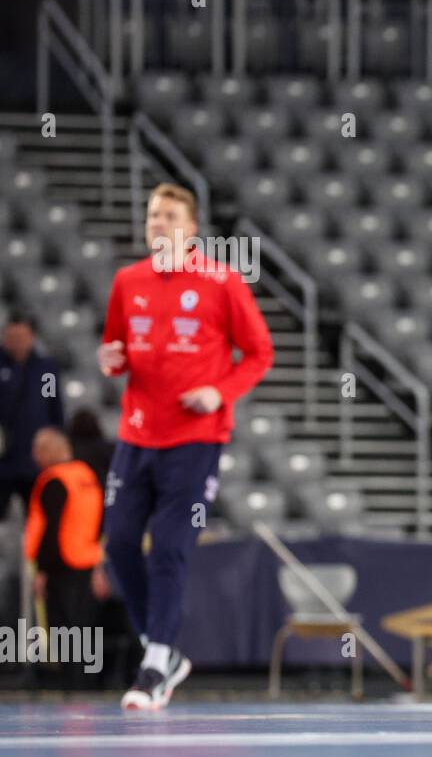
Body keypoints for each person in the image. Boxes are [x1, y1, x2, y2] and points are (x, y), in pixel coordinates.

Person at [98, 182, 274, 710]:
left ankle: (155, 664)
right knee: (118, 545)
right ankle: (163, 645)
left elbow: (260, 352)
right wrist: (112, 362)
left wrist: (217, 391)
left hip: (195, 440)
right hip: (136, 434)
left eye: (170, 215)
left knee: (171, 547)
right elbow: (117, 350)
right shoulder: (127, 281)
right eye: (153, 215)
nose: (159, 223)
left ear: (191, 228)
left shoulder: (221, 281)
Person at [24, 428, 108, 688]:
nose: (33, 455)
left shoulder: (54, 480)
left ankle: (72, 684)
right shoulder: (86, 476)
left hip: (61, 563)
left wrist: (41, 570)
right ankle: (88, 681)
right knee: (83, 625)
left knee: (63, 626)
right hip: (86, 558)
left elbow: (52, 530)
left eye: (38, 449)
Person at [0, 313, 63, 520]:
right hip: (4, 457)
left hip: (35, 459)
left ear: (32, 337)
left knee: (38, 516)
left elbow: (52, 405)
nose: (15, 342)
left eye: (21, 336)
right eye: (10, 337)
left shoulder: (45, 369)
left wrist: (55, 438)